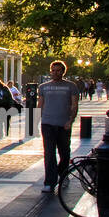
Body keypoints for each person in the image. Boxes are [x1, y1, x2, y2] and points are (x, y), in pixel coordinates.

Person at [37, 60, 79, 193]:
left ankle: (63, 174)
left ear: (63, 71)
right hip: (47, 123)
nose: (55, 73)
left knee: (65, 152)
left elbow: (74, 105)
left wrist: (70, 120)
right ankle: (49, 181)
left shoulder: (71, 86)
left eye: (58, 70)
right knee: (49, 153)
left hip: (63, 124)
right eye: (53, 70)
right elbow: (40, 104)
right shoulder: (43, 87)